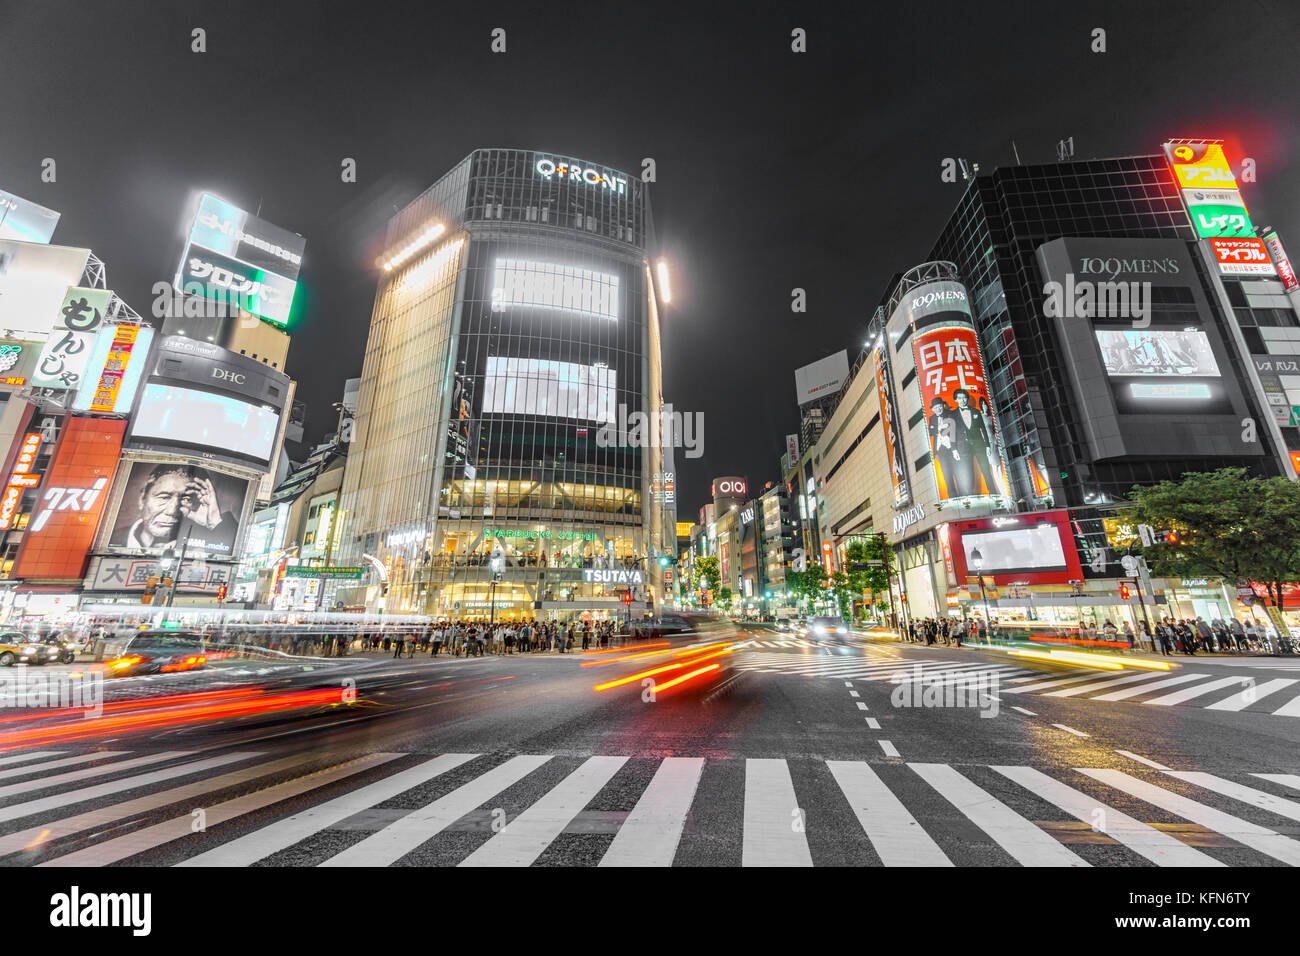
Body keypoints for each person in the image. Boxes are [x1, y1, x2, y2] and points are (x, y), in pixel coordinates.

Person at [947, 388, 998, 498]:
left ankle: (993, 493)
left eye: (964, 398)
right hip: (963, 447)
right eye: (959, 398)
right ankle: (970, 496)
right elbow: (952, 432)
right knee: (967, 471)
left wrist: (987, 446)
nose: (962, 400)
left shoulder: (975, 411)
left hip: (979, 444)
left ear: (967, 399)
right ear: (956, 400)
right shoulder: (953, 414)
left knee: (986, 469)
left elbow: (983, 429)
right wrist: (954, 449)